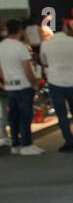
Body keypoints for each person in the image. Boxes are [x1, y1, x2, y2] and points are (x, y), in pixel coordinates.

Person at [39, 21, 73, 153]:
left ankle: (69, 142)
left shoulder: (45, 44)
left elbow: (44, 61)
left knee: (62, 115)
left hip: (56, 81)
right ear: (63, 27)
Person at [1, 19, 43, 155]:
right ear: (20, 30)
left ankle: (16, 143)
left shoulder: (1, 45)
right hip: (23, 85)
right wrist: (34, 83)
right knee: (25, 116)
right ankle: (27, 144)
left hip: (9, 86)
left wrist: (4, 80)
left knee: (13, 117)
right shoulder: (20, 47)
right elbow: (27, 69)